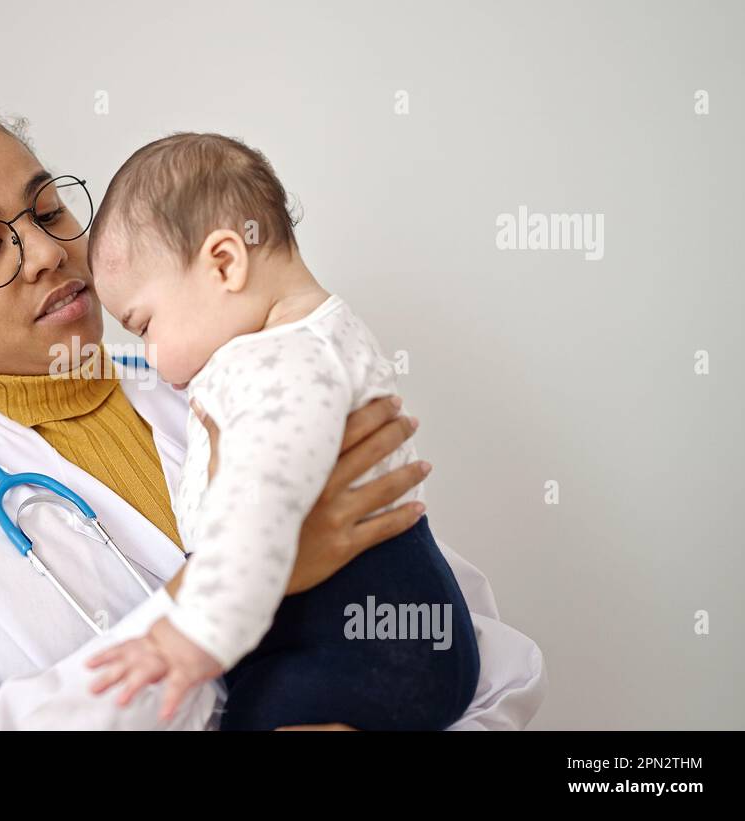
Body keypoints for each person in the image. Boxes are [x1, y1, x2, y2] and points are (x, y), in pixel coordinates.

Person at [0, 62, 546, 730]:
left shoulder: (240, 370)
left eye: (50, 208)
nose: (49, 254)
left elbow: (475, 654)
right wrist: (236, 583)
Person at [85, 133, 478, 730]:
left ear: (224, 262)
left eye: (144, 324)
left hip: (356, 635)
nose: (151, 356)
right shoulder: (312, 339)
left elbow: (258, 511)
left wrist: (192, 634)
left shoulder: (275, 363)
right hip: (383, 631)